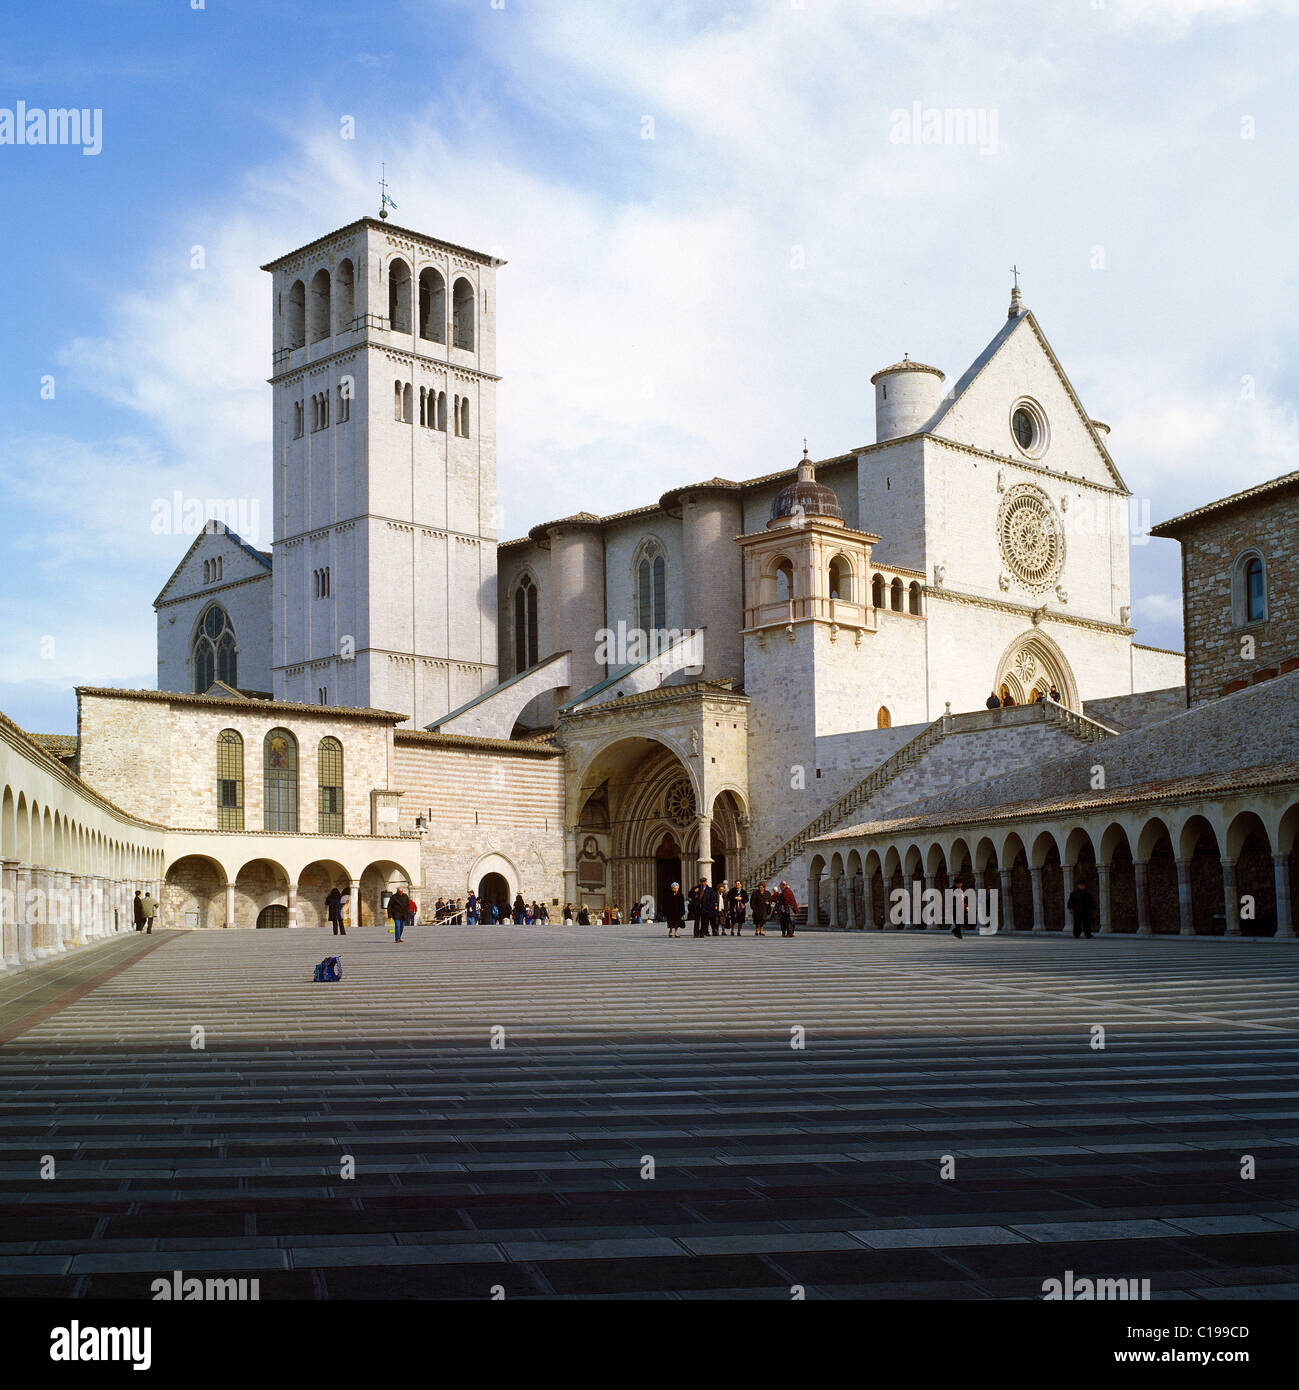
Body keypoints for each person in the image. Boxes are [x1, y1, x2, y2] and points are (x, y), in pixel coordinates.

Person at [949, 875, 967, 940]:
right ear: (957, 883)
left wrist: (966, 905)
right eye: (960, 883)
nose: (961, 884)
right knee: (957, 921)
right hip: (955, 908)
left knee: (963, 920)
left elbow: (964, 898)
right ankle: (959, 934)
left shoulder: (962, 889)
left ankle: (955, 931)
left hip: (962, 907)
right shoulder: (951, 890)